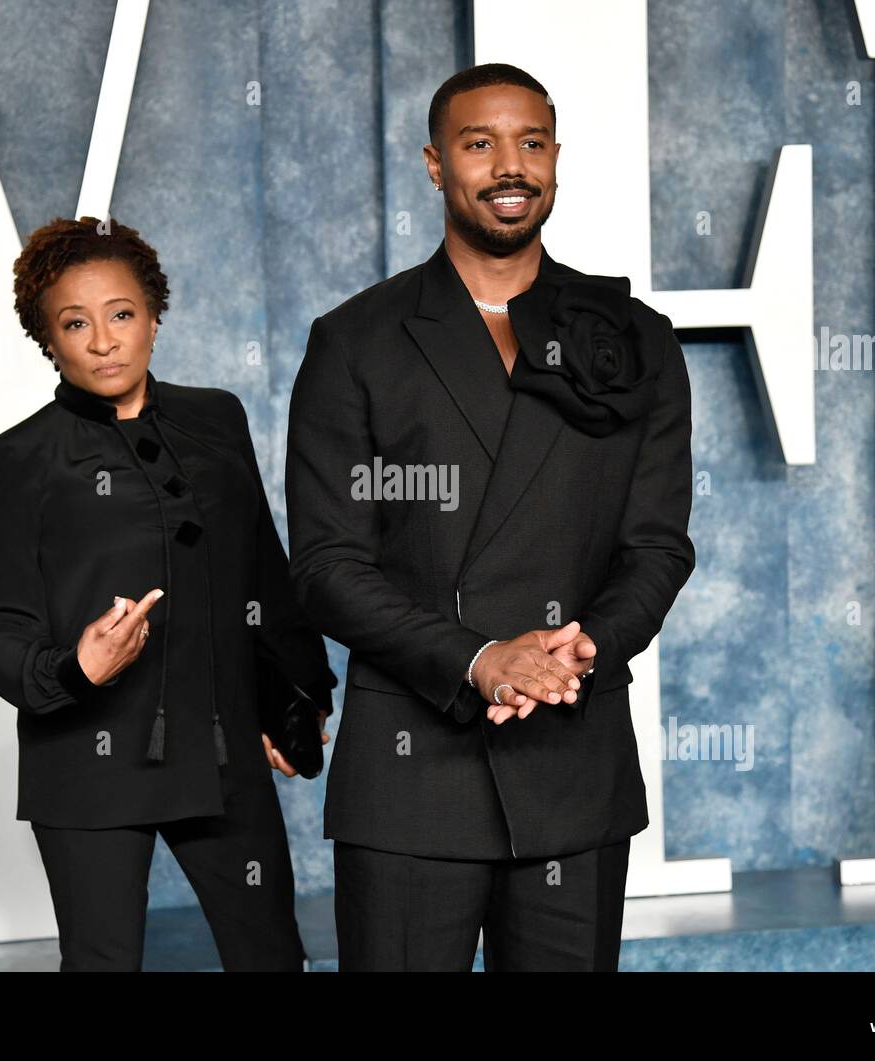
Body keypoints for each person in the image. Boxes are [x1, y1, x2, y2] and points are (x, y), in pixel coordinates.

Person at [285, 64, 695, 970]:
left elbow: (658, 542)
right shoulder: (355, 340)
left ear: (556, 160)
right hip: (410, 777)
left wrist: (587, 646)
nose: (510, 166)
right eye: (480, 145)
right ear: (436, 164)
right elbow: (325, 564)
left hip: (571, 755)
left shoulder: (638, 338)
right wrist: (477, 658)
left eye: (531, 143)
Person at [0, 216, 337, 971]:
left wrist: (291, 692)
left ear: (154, 315)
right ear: (48, 339)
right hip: (87, 762)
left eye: (121, 314)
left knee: (272, 956)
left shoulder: (217, 417)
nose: (103, 340)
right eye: (75, 323)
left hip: (221, 747)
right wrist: (74, 668)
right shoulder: (12, 461)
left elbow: (260, 569)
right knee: (103, 965)